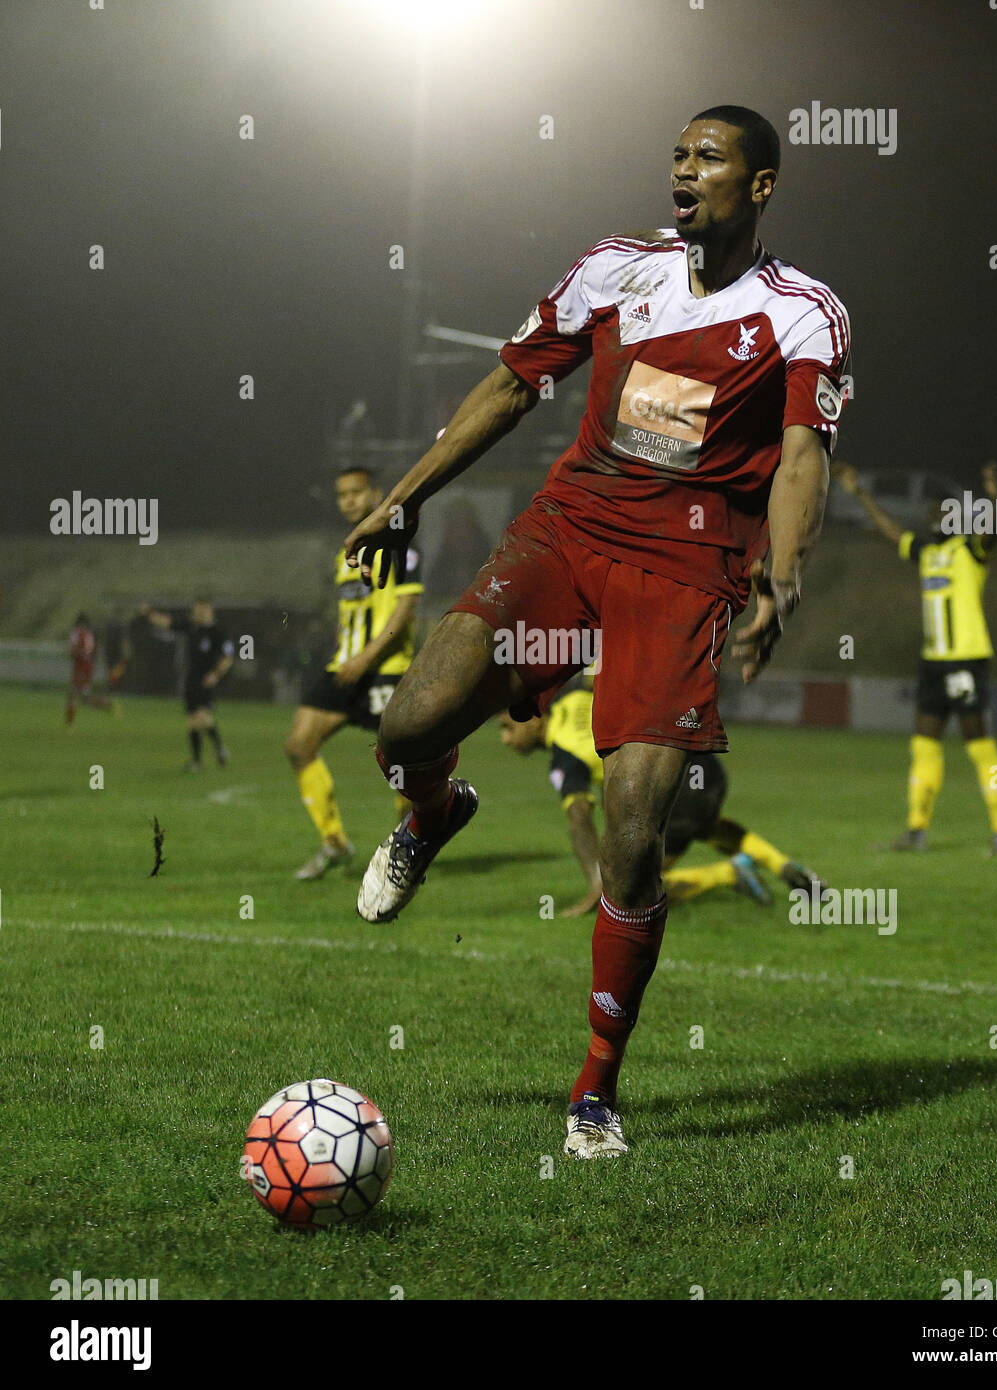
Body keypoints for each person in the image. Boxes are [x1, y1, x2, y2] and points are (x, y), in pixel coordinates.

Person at [344, 105, 850, 1158]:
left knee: (631, 828)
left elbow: (802, 458)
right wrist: (404, 499)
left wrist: (780, 582)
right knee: (406, 724)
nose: (681, 170)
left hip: (682, 573)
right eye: (674, 153)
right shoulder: (613, 269)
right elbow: (507, 385)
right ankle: (430, 815)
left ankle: (593, 1094)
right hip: (566, 537)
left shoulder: (803, 313)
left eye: (707, 158)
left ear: (758, 186)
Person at [499, 688, 824, 912]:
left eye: (508, 727)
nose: (505, 740)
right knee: (704, 826)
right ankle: (783, 866)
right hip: (703, 764)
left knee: (631, 891)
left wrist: (597, 883)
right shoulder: (578, 699)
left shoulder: (565, 757)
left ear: (536, 717)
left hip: (677, 786)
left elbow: (579, 816)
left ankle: (729, 875)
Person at [832, 460, 997, 854]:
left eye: (942, 510)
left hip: (966, 660)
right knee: (924, 746)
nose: (934, 516)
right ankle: (916, 830)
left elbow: (993, 534)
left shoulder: (970, 550)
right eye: (931, 511)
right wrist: (860, 492)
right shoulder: (927, 554)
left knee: (980, 746)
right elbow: (891, 532)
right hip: (933, 663)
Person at [284, 466, 423, 880]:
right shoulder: (344, 555)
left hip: (385, 671)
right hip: (344, 670)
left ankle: (408, 850)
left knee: (403, 768)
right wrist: (346, 654)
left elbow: (406, 610)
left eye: (356, 493)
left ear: (376, 493)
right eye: (341, 494)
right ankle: (334, 842)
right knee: (298, 745)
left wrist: (366, 658)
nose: (348, 501)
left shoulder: (400, 545)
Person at [143, 600, 234, 769]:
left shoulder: (218, 632)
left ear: (210, 611)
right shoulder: (192, 628)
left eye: (202, 610)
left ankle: (211, 753)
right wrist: (150, 613)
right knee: (193, 721)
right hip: (192, 679)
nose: (198, 613)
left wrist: (215, 674)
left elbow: (227, 658)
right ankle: (203, 758)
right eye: (197, 610)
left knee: (202, 718)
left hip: (207, 679)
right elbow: (168, 623)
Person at [65, 613, 114, 724]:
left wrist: (75, 652)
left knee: (78, 696)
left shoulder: (77, 633)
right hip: (86, 665)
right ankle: (108, 705)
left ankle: (109, 705)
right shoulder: (89, 634)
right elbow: (91, 650)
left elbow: (74, 649)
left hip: (81, 666)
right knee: (79, 696)